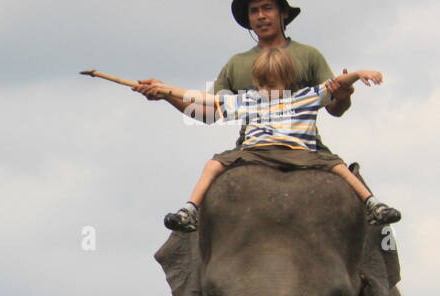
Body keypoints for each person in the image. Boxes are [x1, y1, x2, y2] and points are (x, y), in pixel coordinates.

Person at [135, 47, 401, 232]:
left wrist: (358, 73)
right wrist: (164, 89)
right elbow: (204, 99)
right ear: (256, 81)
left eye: (273, 85)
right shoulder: (250, 99)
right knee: (213, 165)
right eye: (263, 84)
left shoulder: (304, 95)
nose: (268, 91)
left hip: (301, 152)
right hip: (255, 152)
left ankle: (372, 205)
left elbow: (336, 84)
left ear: (288, 81)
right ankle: (190, 209)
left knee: (339, 166)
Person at [136, 0, 355, 141]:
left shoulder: (309, 55)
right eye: (254, 11)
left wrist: (343, 97)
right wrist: (166, 94)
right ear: (249, 19)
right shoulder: (236, 64)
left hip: (304, 144)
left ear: (284, 13)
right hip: (252, 146)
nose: (261, 16)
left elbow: (334, 109)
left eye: (267, 8)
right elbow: (210, 113)